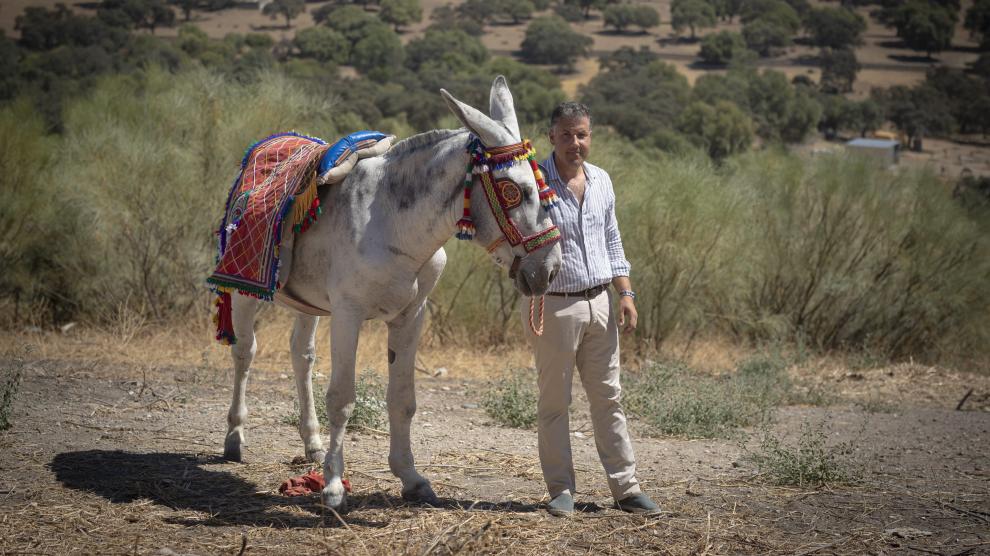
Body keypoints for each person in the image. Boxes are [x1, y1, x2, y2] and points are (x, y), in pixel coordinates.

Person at [522, 101, 660, 517]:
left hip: (600, 303)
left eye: (581, 134)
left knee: (608, 398)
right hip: (554, 306)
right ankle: (561, 490)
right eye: (566, 134)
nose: (574, 142)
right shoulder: (533, 183)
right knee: (554, 402)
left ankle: (626, 489)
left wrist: (626, 293)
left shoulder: (601, 180)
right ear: (551, 136)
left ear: (590, 136)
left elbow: (612, 239)